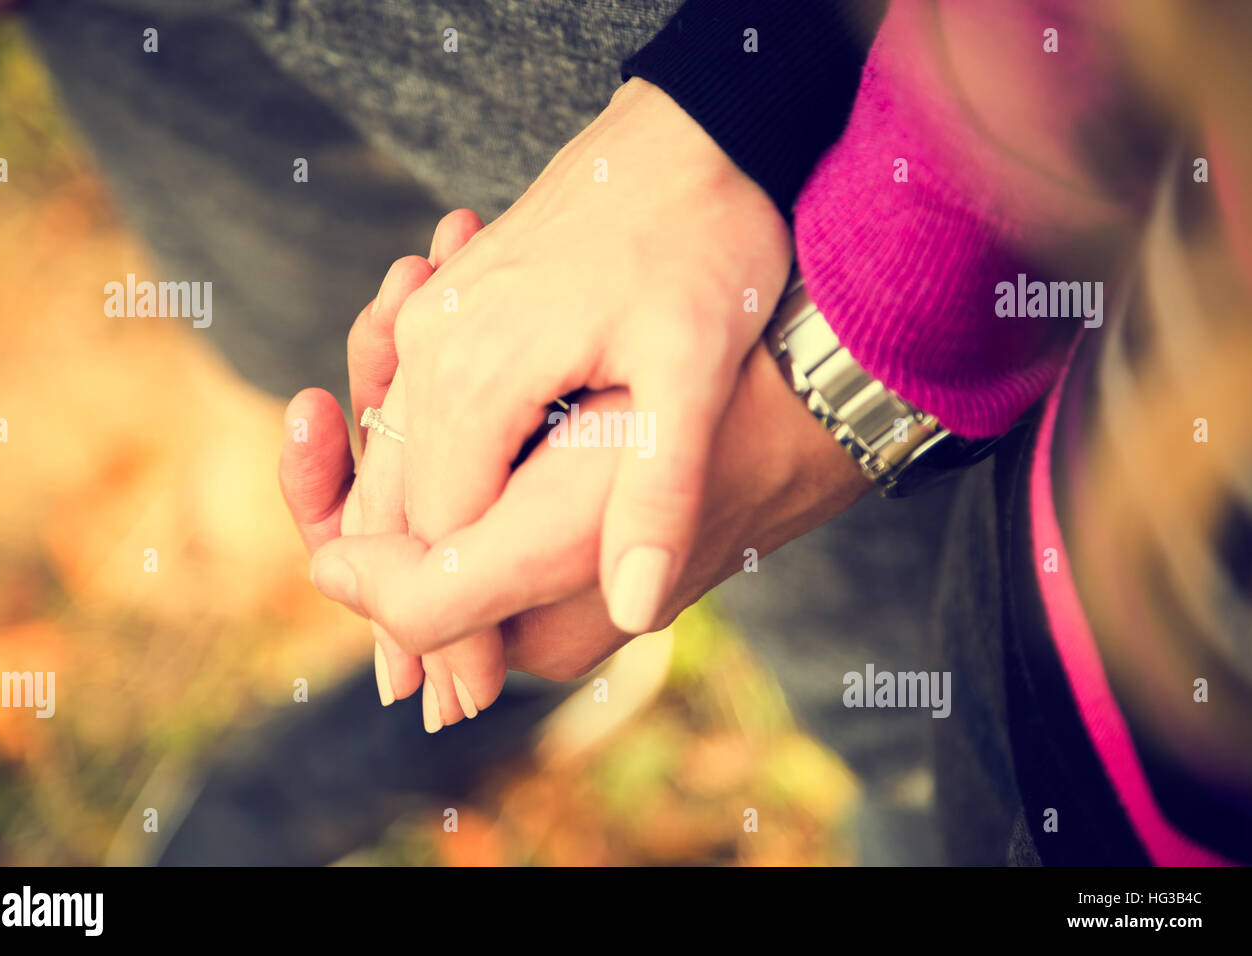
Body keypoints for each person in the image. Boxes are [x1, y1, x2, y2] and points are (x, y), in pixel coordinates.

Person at [290, 0, 1252, 864]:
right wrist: (734, 97)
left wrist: (819, 391)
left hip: (1110, 717)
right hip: (1066, 554)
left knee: (891, 711)